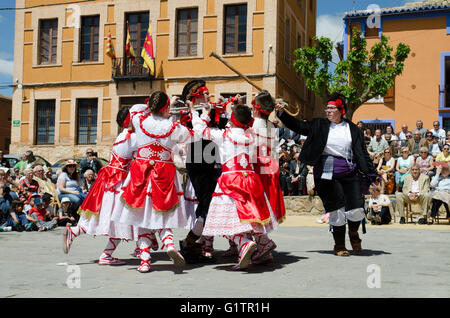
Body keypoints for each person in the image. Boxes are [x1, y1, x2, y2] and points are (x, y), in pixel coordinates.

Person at [276, 93, 376, 256]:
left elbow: (362, 153)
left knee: (356, 207)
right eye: (327, 108)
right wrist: (282, 114)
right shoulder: (319, 124)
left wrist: (372, 174)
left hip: (350, 169)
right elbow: (299, 126)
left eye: (331, 108)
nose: (328, 111)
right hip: (327, 169)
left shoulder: (353, 129)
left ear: (340, 110)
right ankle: (339, 245)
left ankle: (354, 234)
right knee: (336, 207)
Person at [113, 91, 196, 273]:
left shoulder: (139, 121)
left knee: (141, 218)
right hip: (164, 172)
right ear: (166, 107)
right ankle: (169, 244)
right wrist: (176, 111)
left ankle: (144, 261)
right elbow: (190, 136)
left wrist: (156, 106)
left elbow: (135, 110)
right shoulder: (174, 127)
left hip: (140, 172)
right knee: (162, 214)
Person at [191, 103, 276, 270]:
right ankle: (264, 243)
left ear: (232, 119)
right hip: (250, 179)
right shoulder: (252, 135)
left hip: (230, 179)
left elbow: (200, 131)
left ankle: (243, 243)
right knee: (251, 214)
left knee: (226, 219)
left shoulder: (224, 135)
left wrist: (201, 114)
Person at [64, 106, 146, 266]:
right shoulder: (131, 137)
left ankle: (105, 253)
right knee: (120, 219)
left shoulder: (124, 136)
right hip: (117, 182)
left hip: (112, 179)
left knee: (115, 221)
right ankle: (137, 247)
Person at [177, 79, 224, 264]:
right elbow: (191, 138)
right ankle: (193, 243)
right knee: (205, 204)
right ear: (196, 97)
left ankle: (199, 243)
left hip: (212, 160)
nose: (209, 96)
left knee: (210, 203)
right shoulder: (187, 116)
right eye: (205, 94)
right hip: (197, 161)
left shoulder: (211, 112)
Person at [250, 90, 285, 264]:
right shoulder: (272, 126)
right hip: (269, 169)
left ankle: (261, 244)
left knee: (253, 209)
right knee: (264, 208)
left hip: (256, 169)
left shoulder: (253, 124)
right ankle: (260, 246)